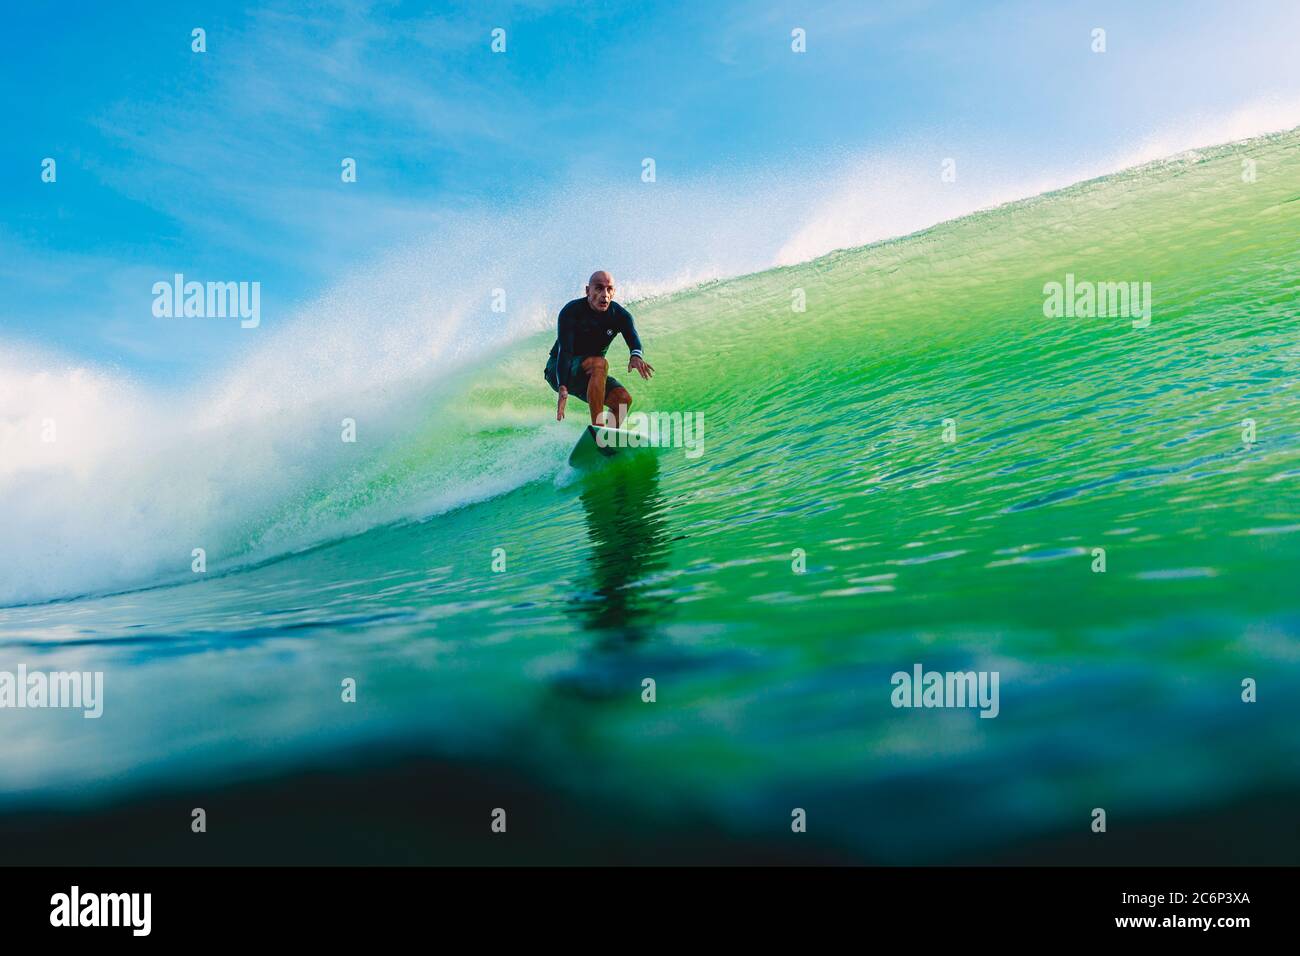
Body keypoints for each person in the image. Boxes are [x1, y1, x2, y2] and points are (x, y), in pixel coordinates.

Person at [544, 271, 654, 427]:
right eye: (599, 288)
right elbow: (565, 351)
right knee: (600, 363)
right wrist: (562, 386)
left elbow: (634, 339)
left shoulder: (620, 315)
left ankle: (606, 438)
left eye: (609, 289)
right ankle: (598, 427)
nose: (605, 294)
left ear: (614, 292)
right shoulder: (571, 311)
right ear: (587, 290)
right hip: (558, 369)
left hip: (591, 375)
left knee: (622, 400)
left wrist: (635, 356)